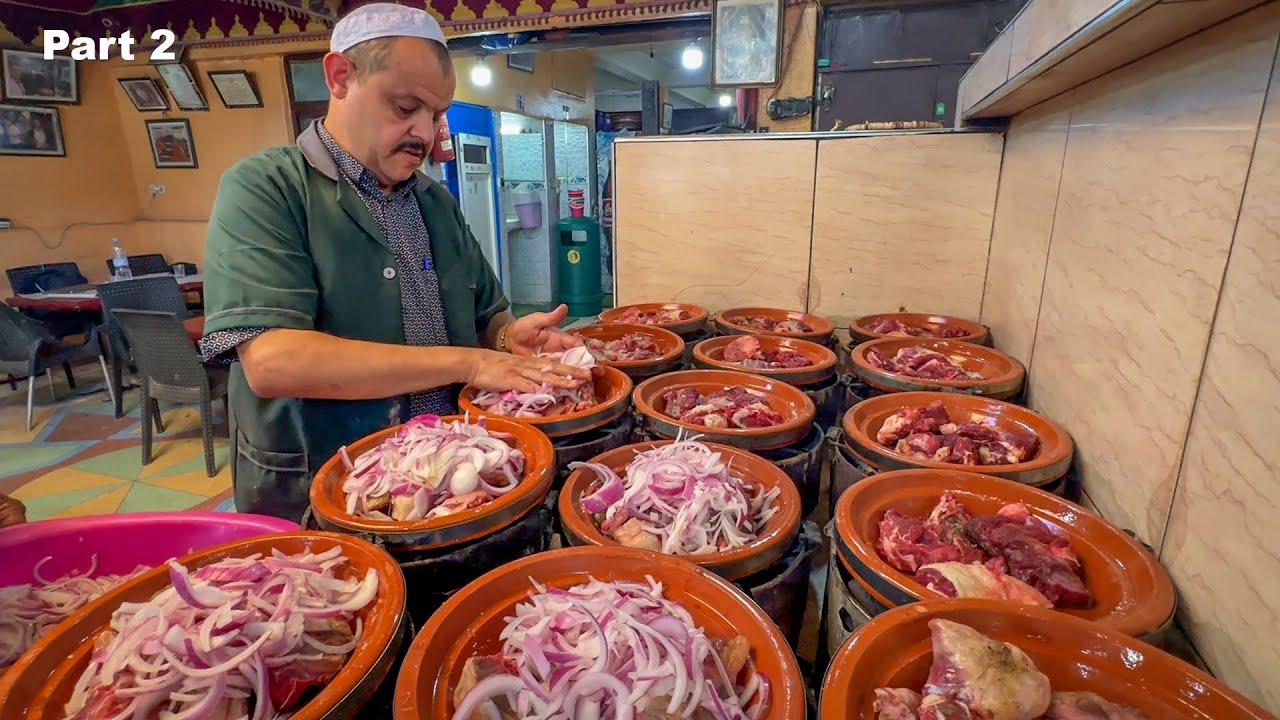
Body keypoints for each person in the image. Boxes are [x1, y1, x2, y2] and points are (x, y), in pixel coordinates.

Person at [201, 3, 590, 520]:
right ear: (340, 77)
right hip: (330, 486)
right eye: (405, 107)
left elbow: (486, 318)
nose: (424, 135)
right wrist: (469, 361)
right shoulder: (268, 188)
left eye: (435, 115)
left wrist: (506, 338)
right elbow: (275, 361)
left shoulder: (433, 203)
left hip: (450, 477)